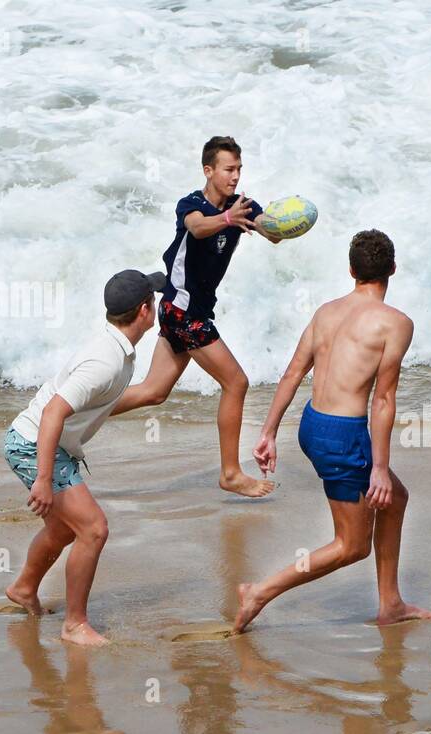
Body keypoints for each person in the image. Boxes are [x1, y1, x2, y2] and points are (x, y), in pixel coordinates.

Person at [233, 230, 431, 631]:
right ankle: (260, 591)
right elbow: (382, 400)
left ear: (351, 270)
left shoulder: (326, 311)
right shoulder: (396, 324)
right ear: (392, 269)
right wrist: (379, 466)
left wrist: (268, 432)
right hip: (344, 435)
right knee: (351, 545)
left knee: (395, 500)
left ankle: (390, 603)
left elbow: (293, 372)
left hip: (312, 424)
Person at [111, 135, 280, 498]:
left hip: (183, 311)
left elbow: (268, 229)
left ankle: (81, 411)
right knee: (236, 383)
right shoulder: (192, 204)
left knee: (154, 392)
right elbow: (198, 227)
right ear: (209, 170)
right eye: (228, 169)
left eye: (239, 169)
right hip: (183, 311)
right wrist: (227, 218)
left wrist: (282, 224)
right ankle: (231, 473)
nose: (235, 177)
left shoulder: (241, 205)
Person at [3, 269, 165, 646]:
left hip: (42, 441)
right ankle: (75, 624)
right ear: (144, 310)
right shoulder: (106, 359)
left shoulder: (116, 350)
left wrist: (153, 392)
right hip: (34, 443)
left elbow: (97, 401)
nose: (155, 306)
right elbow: (53, 412)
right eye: (153, 301)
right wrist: (43, 479)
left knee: (63, 530)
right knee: (93, 529)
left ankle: (24, 587)